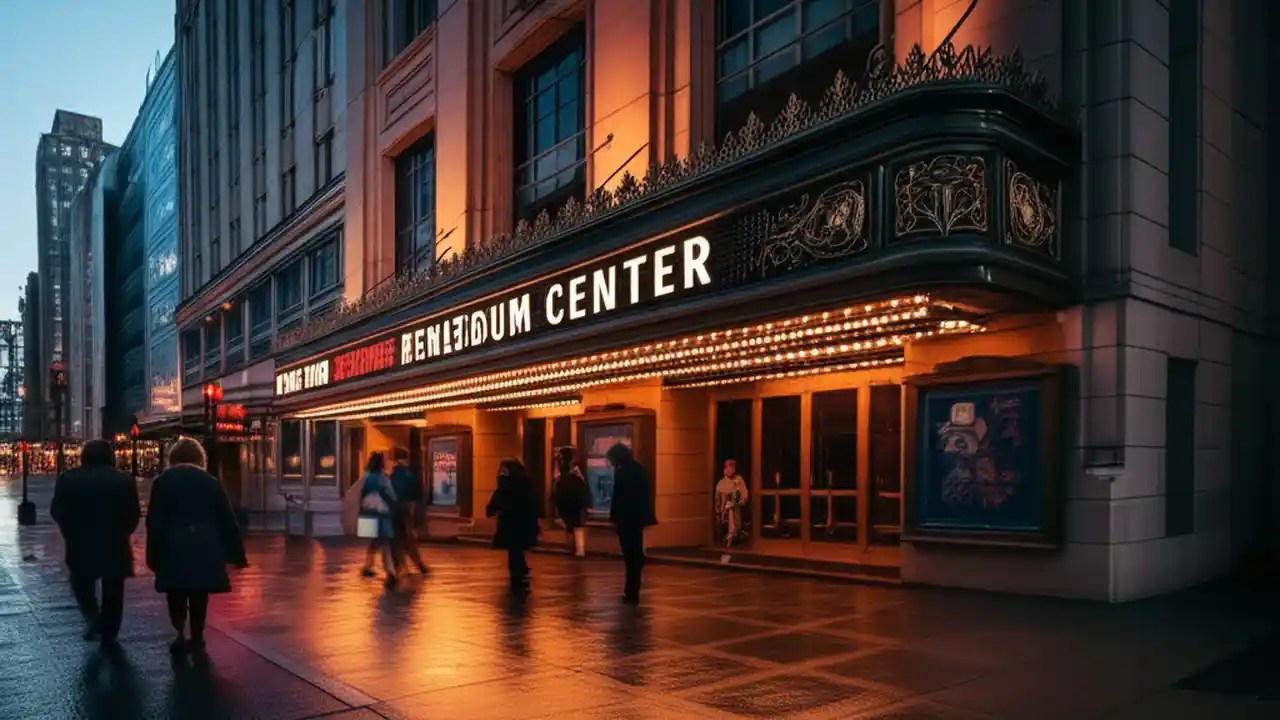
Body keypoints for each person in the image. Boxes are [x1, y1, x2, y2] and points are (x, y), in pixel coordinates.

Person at [146, 437, 247, 655]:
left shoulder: (163, 482)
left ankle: (179, 632)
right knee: (200, 593)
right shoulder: (211, 482)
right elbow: (227, 520)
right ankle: (197, 636)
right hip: (205, 544)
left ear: (173, 457)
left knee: (176, 592)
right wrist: (236, 554)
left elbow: (154, 522)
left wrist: (152, 555)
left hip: (172, 545)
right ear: (200, 458)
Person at [50, 439, 141, 646]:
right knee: (114, 589)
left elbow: (57, 510)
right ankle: (110, 631)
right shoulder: (124, 480)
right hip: (114, 542)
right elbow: (133, 514)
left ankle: (92, 616)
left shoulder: (68, 478)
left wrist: (70, 530)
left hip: (80, 541)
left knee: (81, 582)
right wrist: (122, 531)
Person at [607, 443, 656, 605]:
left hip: (627, 519)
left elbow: (619, 498)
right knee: (634, 554)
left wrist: (614, 518)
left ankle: (631, 592)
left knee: (630, 556)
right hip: (637, 518)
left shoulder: (622, 472)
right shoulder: (638, 469)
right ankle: (632, 591)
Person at [485, 458, 539, 596]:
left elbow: (501, 498)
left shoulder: (511, 484)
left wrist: (493, 508)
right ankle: (521, 570)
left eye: (504, 469)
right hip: (522, 522)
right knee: (516, 548)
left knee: (514, 548)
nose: (501, 472)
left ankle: (517, 573)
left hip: (513, 522)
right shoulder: (526, 482)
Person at [358, 452, 399, 586]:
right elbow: (392, 496)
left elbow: (362, 495)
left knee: (375, 541)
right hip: (382, 514)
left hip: (369, 513)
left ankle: (368, 566)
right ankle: (390, 572)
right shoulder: (383, 479)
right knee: (385, 542)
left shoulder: (367, 478)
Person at [389, 448, 428, 574]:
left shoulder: (393, 475)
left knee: (396, 540)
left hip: (394, 511)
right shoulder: (410, 474)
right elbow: (417, 495)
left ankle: (399, 566)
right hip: (406, 510)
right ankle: (418, 564)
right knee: (409, 538)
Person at [550, 447, 591, 557]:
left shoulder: (566, 470)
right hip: (574, 498)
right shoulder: (575, 470)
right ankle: (578, 549)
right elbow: (582, 484)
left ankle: (575, 548)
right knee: (576, 524)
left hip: (568, 498)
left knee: (571, 524)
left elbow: (557, 479)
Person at [715, 458, 750, 547]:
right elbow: (717, 498)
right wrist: (718, 509)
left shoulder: (738, 480)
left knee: (735, 524)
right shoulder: (721, 482)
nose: (732, 469)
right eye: (729, 467)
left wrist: (739, 501)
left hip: (735, 507)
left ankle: (735, 536)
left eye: (733, 467)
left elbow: (744, 493)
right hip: (725, 509)